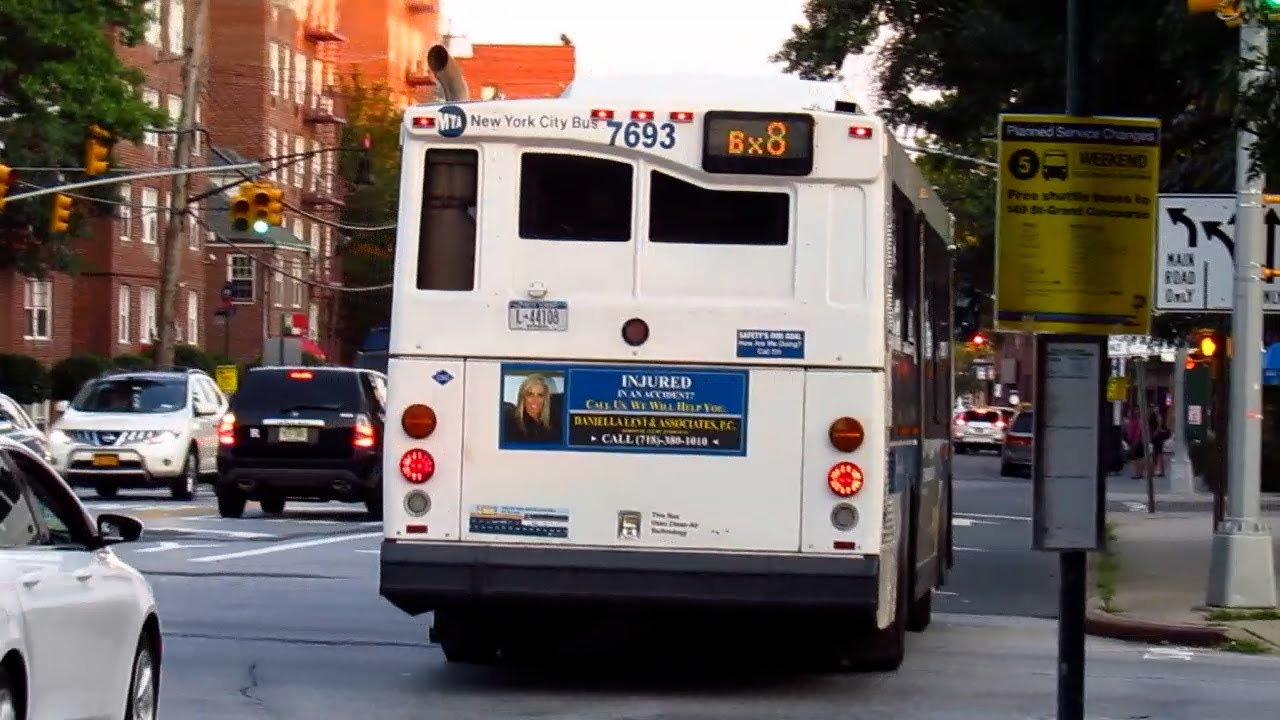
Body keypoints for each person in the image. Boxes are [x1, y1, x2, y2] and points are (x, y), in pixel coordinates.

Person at [504, 373, 560, 443]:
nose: (535, 400)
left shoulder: (552, 427)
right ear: (522, 397)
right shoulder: (512, 425)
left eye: (540, 395)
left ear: (545, 399)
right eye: (530, 395)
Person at [1124, 411, 1146, 478]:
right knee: (1140, 457)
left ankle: (1138, 473)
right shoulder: (1132, 421)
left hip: (1137, 441)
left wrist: (1135, 440)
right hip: (1136, 441)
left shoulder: (1136, 421)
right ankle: (1140, 473)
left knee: (1137, 458)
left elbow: (1137, 432)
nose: (1129, 413)